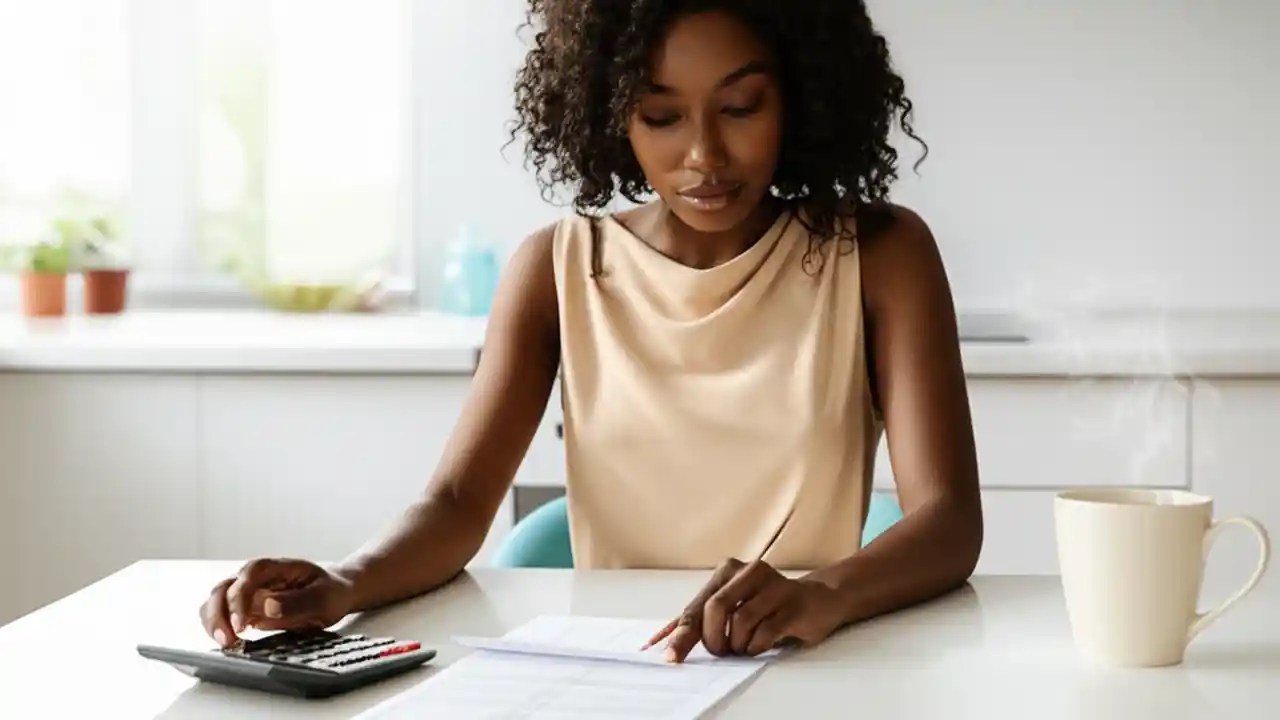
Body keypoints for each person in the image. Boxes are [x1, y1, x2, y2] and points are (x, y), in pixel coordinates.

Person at [199, 0, 982, 664]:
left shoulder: (879, 255)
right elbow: (457, 503)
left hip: (809, 661)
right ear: (611, 114)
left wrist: (821, 595)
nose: (704, 154)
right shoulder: (557, 267)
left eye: (741, 107)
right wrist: (345, 580)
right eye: (661, 115)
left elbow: (947, 521)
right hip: (624, 666)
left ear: (801, 97)